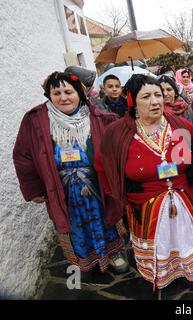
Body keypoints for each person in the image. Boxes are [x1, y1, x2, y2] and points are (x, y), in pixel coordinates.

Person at [94, 74, 193, 293]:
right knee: (159, 242)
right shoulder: (117, 134)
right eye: (146, 96)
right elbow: (104, 166)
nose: (155, 101)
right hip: (144, 203)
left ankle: (192, 274)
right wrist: (117, 195)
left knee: (185, 237)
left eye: (158, 94)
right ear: (132, 101)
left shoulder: (180, 125)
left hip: (183, 197)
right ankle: (161, 274)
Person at [13, 71, 129, 274]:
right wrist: (34, 189)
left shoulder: (100, 118)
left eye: (68, 91)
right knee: (76, 226)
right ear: (49, 95)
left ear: (80, 94)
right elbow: (23, 155)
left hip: (98, 185)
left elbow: (119, 150)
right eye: (56, 92)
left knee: (106, 218)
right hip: (62, 189)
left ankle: (113, 253)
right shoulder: (35, 120)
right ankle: (87, 260)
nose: (63, 97)